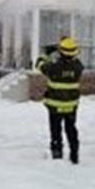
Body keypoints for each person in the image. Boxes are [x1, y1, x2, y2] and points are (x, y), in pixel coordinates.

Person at [35, 36, 84, 164]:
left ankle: (57, 155)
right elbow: (72, 63)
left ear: (61, 52)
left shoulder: (54, 67)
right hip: (71, 106)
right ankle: (74, 155)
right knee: (71, 129)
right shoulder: (78, 67)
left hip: (55, 106)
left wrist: (46, 53)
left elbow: (39, 65)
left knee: (56, 131)